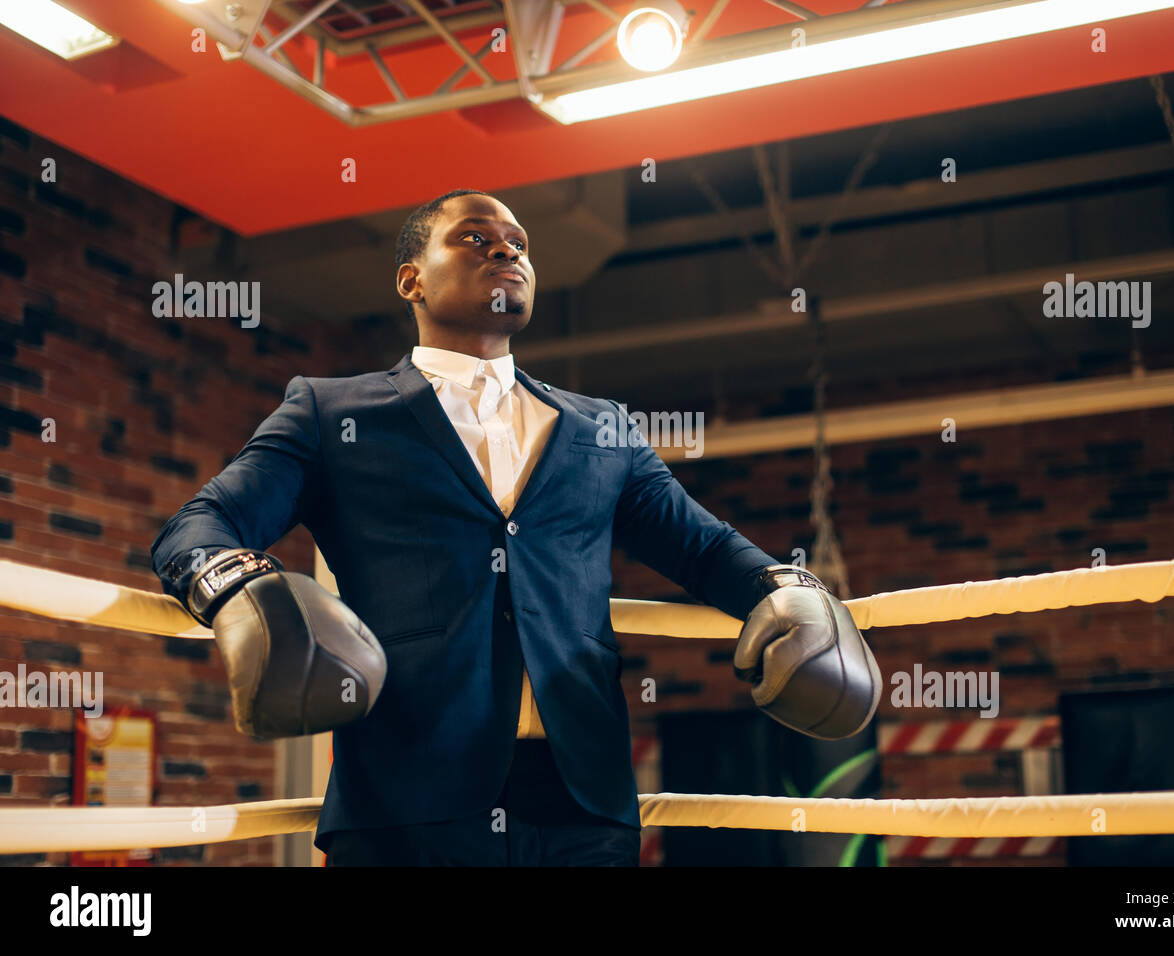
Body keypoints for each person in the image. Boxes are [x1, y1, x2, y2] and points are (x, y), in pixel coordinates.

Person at [150, 189, 882, 866]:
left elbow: (704, 548)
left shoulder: (602, 428)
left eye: (518, 244)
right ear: (412, 281)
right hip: (407, 800)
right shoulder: (332, 412)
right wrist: (239, 587)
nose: (507, 252)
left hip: (581, 801)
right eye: (475, 239)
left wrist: (789, 588)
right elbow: (200, 526)